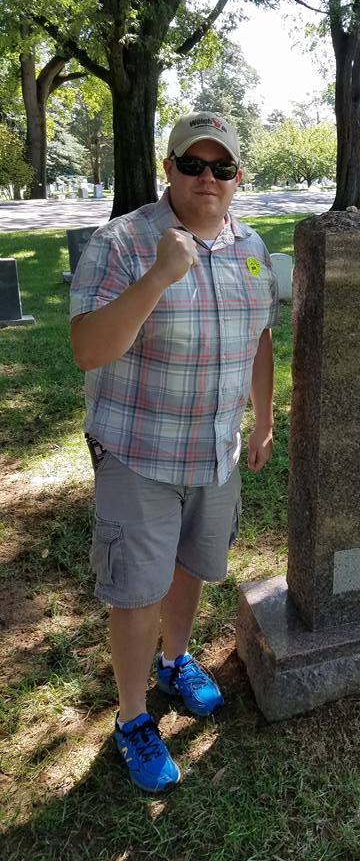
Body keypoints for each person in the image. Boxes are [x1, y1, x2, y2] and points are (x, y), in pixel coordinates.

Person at [70, 112, 277, 792]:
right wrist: (158, 278)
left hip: (216, 451)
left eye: (222, 167)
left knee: (192, 567)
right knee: (135, 592)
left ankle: (178, 659)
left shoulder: (252, 247)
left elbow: (261, 339)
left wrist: (264, 418)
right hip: (139, 453)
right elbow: (88, 349)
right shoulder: (124, 243)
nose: (207, 179)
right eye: (193, 164)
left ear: (238, 176)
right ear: (169, 169)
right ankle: (133, 718)